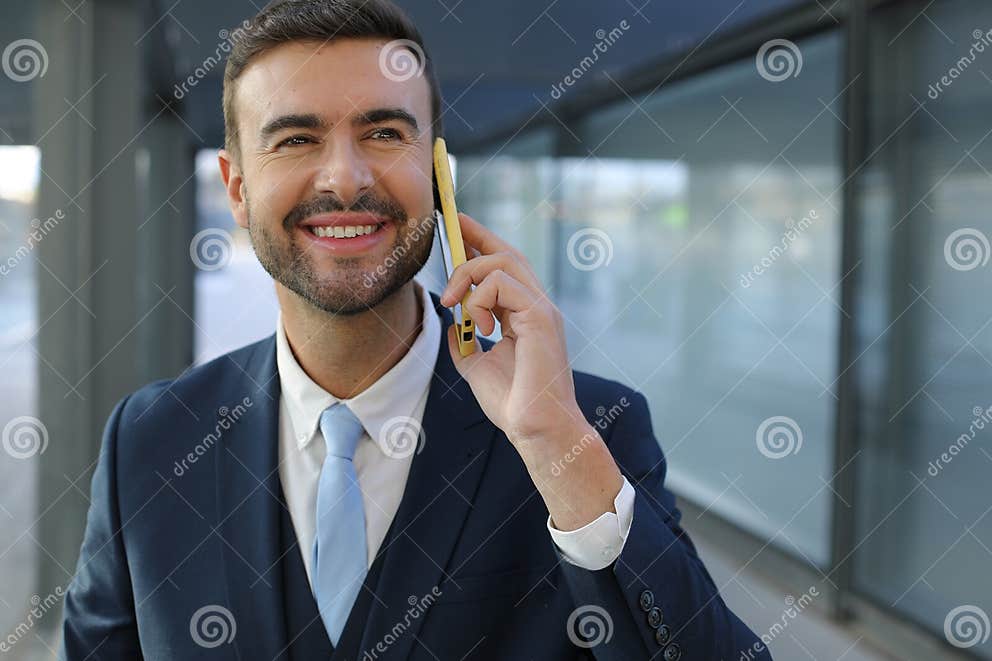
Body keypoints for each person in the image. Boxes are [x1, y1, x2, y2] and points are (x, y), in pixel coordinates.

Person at [60, 1, 772, 659]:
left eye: (384, 132)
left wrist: (556, 441)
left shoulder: (586, 428)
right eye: (297, 138)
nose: (343, 177)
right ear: (238, 189)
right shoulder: (149, 442)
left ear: (438, 175)